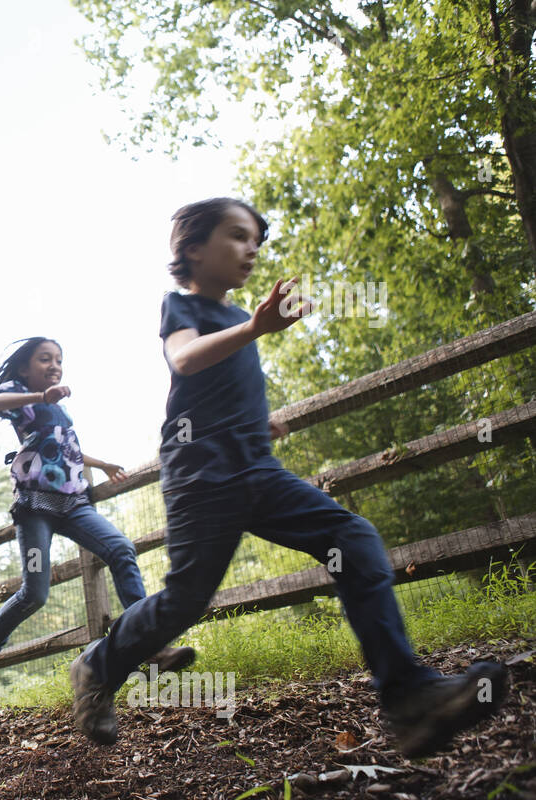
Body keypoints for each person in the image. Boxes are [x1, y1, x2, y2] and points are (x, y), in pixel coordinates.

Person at [70, 196, 508, 757]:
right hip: (203, 477)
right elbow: (184, 360)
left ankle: (409, 697)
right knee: (185, 600)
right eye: (236, 235)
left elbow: (225, 383)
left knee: (353, 539)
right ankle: (97, 668)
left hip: (257, 470)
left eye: (256, 239)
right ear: (194, 248)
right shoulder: (183, 308)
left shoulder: (237, 320)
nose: (251, 248)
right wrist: (256, 327)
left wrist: (258, 419)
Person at [0, 337, 194, 691]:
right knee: (35, 592)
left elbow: (64, 448)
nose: (54, 365)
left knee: (121, 549)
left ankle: (150, 644)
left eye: (59, 360)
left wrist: (101, 463)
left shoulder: (61, 410)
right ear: (25, 367)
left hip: (73, 505)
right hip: (35, 508)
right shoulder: (20, 394)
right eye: (45, 359)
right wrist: (40, 397)